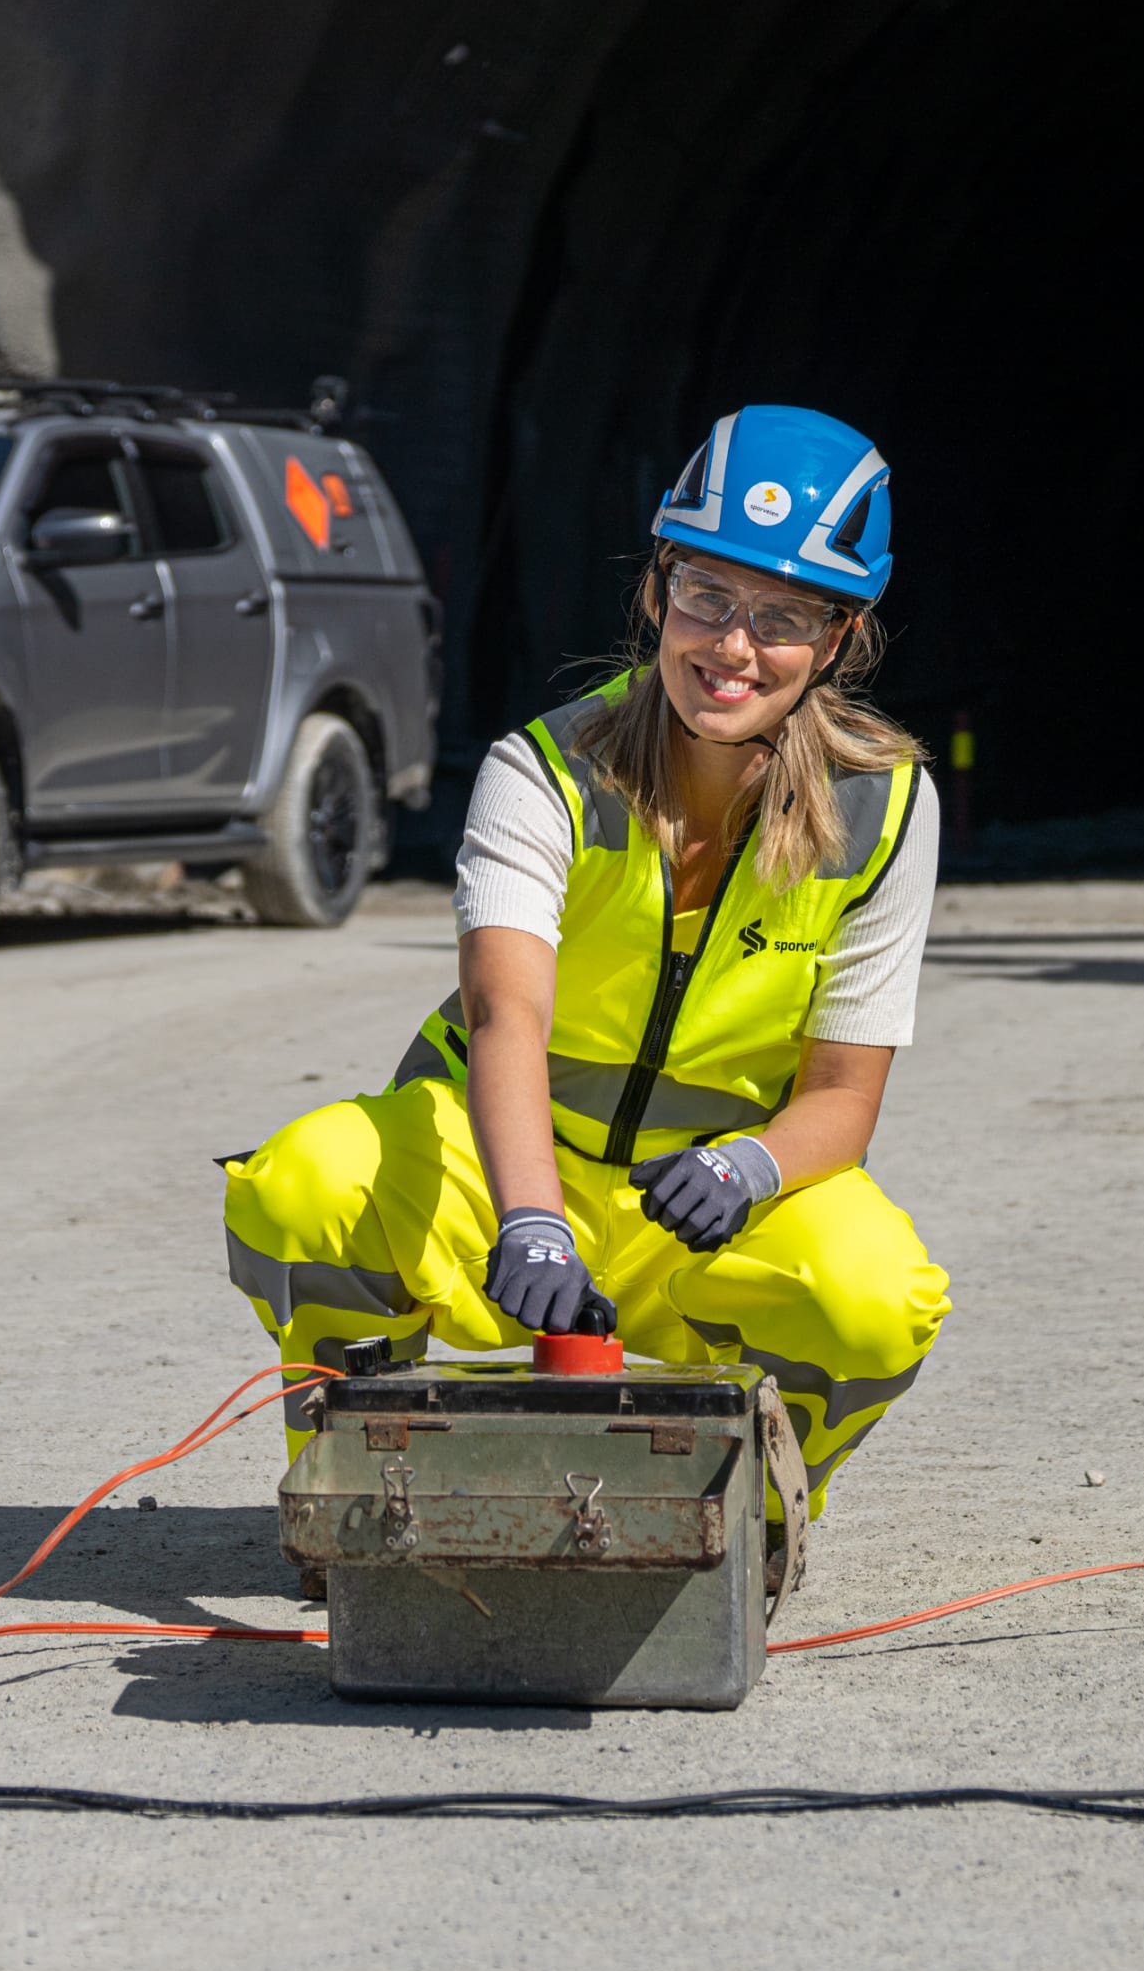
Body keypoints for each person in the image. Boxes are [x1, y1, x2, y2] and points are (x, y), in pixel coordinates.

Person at [223, 404, 949, 1526]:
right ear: (658, 591)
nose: (733, 647)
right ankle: (356, 1499)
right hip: (504, 1178)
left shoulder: (888, 810)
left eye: (783, 615)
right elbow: (506, 1016)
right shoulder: (544, 771)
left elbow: (843, 1099)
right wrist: (533, 1220)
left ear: (841, 638)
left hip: (698, 1214)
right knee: (306, 1186)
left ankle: (745, 1525)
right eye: (706, 594)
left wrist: (750, 1168)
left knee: (870, 1295)